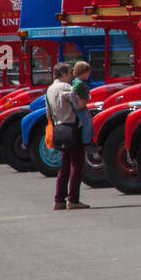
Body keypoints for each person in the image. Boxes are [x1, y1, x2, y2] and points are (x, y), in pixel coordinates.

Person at [46, 62, 89, 210]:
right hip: (72, 128)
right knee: (76, 165)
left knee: (64, 166)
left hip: (59, 128)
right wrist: (85, 101)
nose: (72, 75)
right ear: (63, 73)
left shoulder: (49, 89)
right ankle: (73, 199)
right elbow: (77, 104)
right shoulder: (66, 88)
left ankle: (58, 200)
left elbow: (48, 113)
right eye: (70, 72)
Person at [71, 60, 95, 147]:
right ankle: (86, 142)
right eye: (88, 72)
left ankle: (91, 139)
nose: (89, 74)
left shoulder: (79, 82)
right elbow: (73, 93)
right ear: (83, 72)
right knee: (87, 123)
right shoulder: (79, 83)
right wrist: (77, 105)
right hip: (80, 108)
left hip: (83, 106)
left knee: (90, 121)